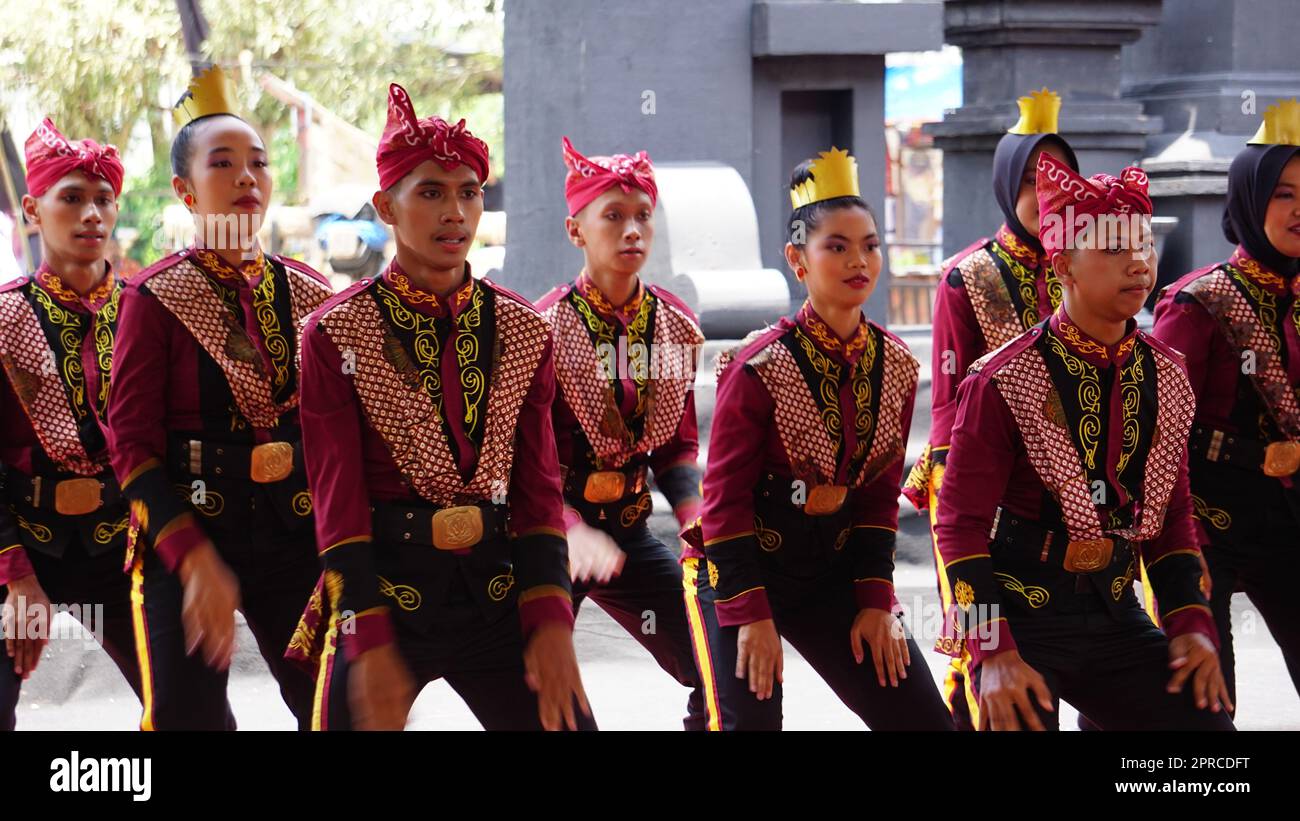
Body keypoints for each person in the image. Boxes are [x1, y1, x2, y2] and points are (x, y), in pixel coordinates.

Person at [290, 84, 591, 731]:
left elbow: (539, 487)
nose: (455, 211)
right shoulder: (334, 333)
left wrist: (550, 617)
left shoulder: (523, 328)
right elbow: (336, 501)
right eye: (430, 191)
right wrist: (366, 637)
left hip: (498, 589)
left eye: (469, 191)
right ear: (386, 207)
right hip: (384, 594)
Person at [933, 150, 1234, 730]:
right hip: (1022, 620)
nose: (1139, 263)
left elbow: (1170, 520)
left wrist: (1191, 623)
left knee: (1213, 752)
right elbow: (958, 525)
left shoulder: (1165, 372)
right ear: (1064, 264)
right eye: (1114, 249)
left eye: (1143, 244)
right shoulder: (1004, 379)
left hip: (1115, 611)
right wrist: (991, 652)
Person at [682, 148, 953, 730]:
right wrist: (751, 614)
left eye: (871, 245)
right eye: (836, 246)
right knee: (748, 723)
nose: (859, 260)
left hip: (833, 573)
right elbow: (724, 503)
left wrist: (876, 599)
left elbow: (880, 496)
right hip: (742, 570)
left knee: (922, 718)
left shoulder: (898, 366)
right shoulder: (757, 367)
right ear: (797, 260)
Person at [108, 66, 333, 729]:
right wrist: (194, 557)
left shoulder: (312, 293)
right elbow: (132, 446)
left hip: (295, 531)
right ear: (184, 189)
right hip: (187, 527)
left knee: (339, 704)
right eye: (224, 163)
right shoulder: (153, 299)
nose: (246, 177)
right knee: (187, 718)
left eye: (259, 163)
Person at [903, 88, 1080, 728]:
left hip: (1078, 496)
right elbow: (949, 404)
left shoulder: (1089, 267)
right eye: (1033, 180)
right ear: (1009, 186)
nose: (1050, 195)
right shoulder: (968, 277)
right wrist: (955, 499)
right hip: (984, 488)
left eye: (1063, 180)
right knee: (982, 652)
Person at [534, 137, 709, 729]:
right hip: (547, 533)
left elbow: (677, 443)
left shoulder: (674, 326)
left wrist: (694, 514)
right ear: (575, 230)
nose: (632, 230)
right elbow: (514, 458)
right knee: (540, 695)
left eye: (642, 217)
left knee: (721, 662)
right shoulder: (542, 328)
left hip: (629, 532)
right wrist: (569, 527)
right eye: (613, 216)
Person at [1151, 98, 1300, 710]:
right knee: (1206, 698)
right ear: (1248, 198)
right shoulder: (1197, 303)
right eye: (1285, 193)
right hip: (1207, 518)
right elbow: (1156, 429)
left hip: (1290, 518)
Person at [0, 119, 139, 730]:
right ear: (33, 209)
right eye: (72, 198)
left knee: (195, 709)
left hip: (127, 543)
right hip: (20, 541)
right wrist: (17, 576)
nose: (92, 215)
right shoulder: (3, 317)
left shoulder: (147, 312)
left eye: (103, 199)